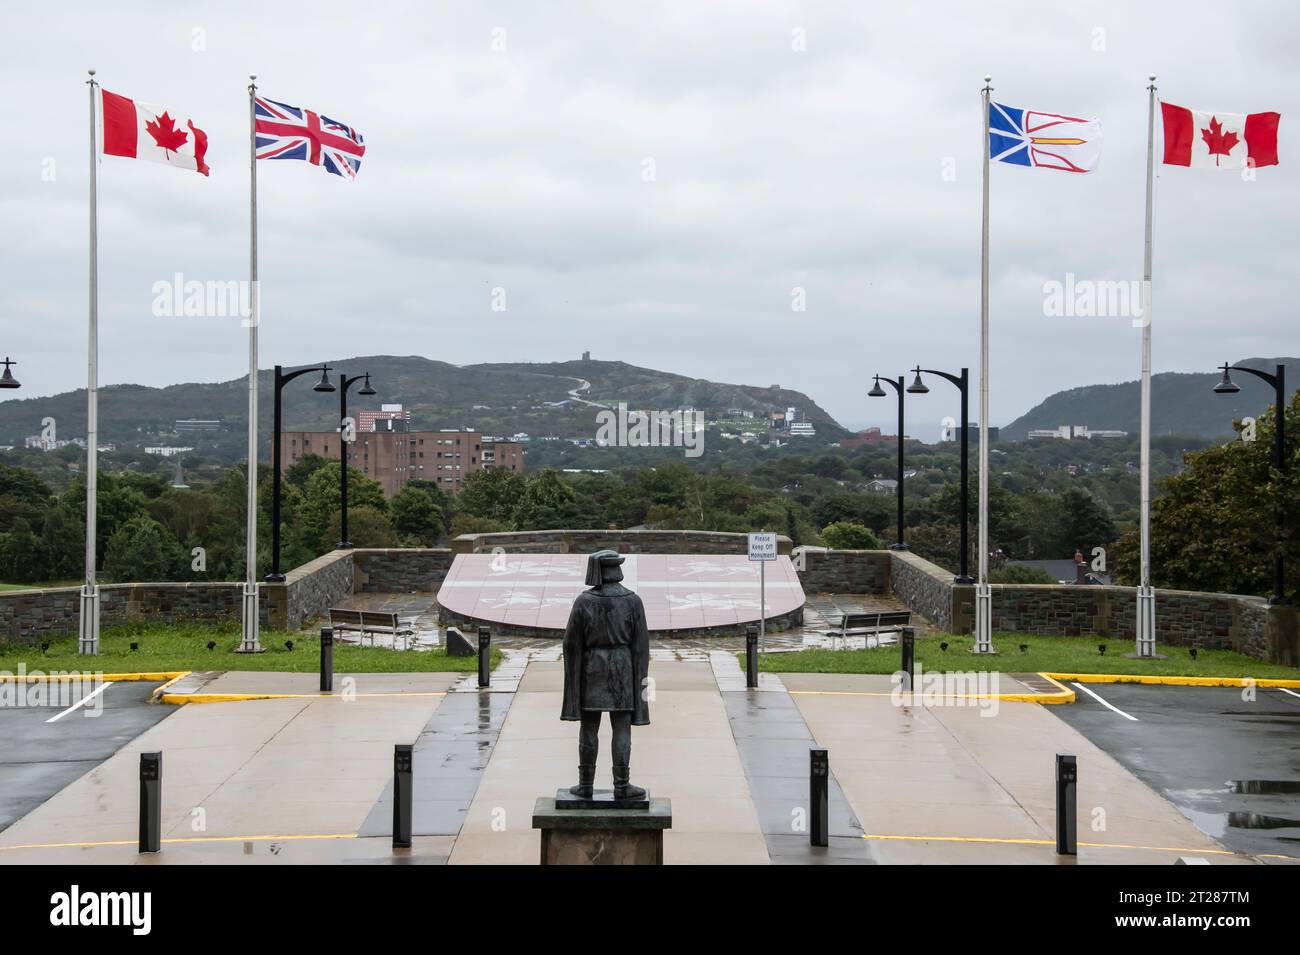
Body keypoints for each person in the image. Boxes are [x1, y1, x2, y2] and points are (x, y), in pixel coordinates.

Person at [561, 549, 650, 800]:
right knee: (621, 728)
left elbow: (570, 643)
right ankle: (622, 786)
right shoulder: (633, 601)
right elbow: (641, 646)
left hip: (592, 669)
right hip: (622, 669)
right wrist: (641, 682)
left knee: (589, 728)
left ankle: (585, 784)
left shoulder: (584, 601)